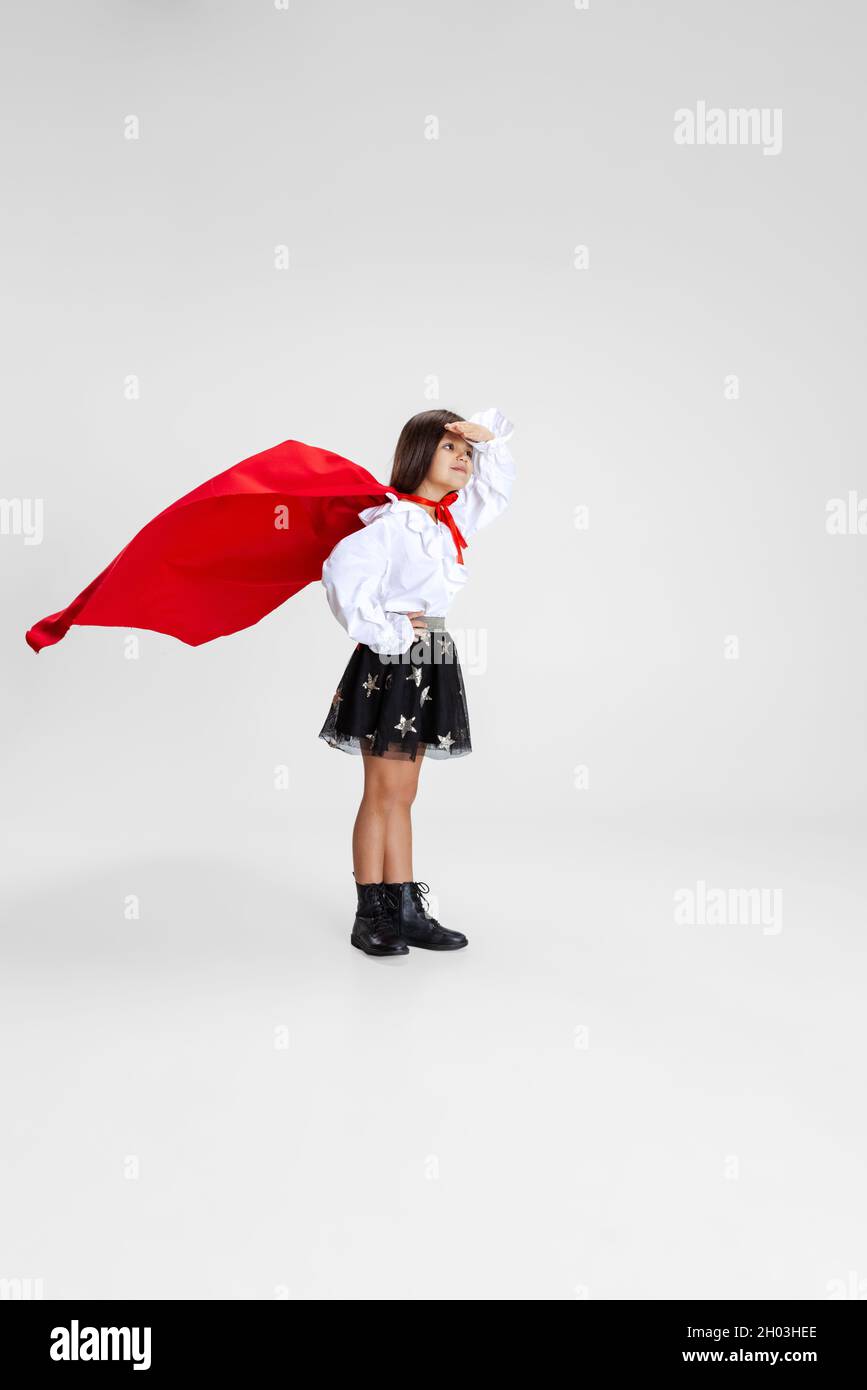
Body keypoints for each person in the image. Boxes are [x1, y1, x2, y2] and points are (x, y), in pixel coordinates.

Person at [317, 406, 516, 957]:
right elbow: (339, 577)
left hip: (432, 657)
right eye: (450, 447)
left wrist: (488, 440)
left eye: (467, 453)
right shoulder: (390, 524)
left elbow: (496, 492)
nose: (464, 459)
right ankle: (369, 914)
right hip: (394, 661)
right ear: (418, 452)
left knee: (404, 793)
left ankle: (404, 907)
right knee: (381, 791)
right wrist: (391, 631)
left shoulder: (447, 520)